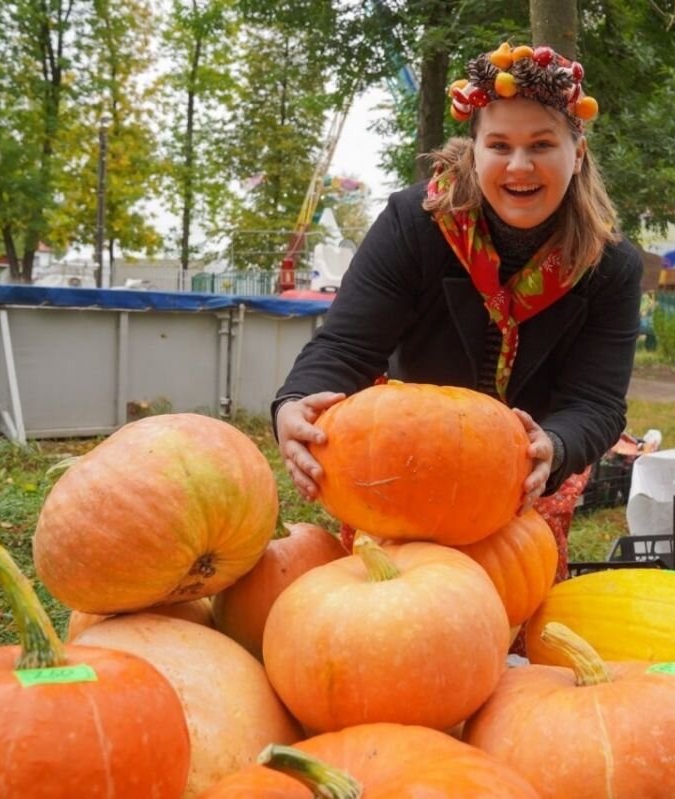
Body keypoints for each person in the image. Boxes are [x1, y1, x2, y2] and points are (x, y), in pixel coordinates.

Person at [273, 42, 643, 578]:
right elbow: (346, 347)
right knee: (393, 618)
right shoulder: (413, 223)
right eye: (499, 145)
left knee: (511, 620)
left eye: (542, 144)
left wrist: (555, 446)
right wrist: (294, 403)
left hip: (523, 480)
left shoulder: (611, 266)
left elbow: (597, 401)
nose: (520, 165)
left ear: (577, 152)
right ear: (475, 150)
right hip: (404, 463)